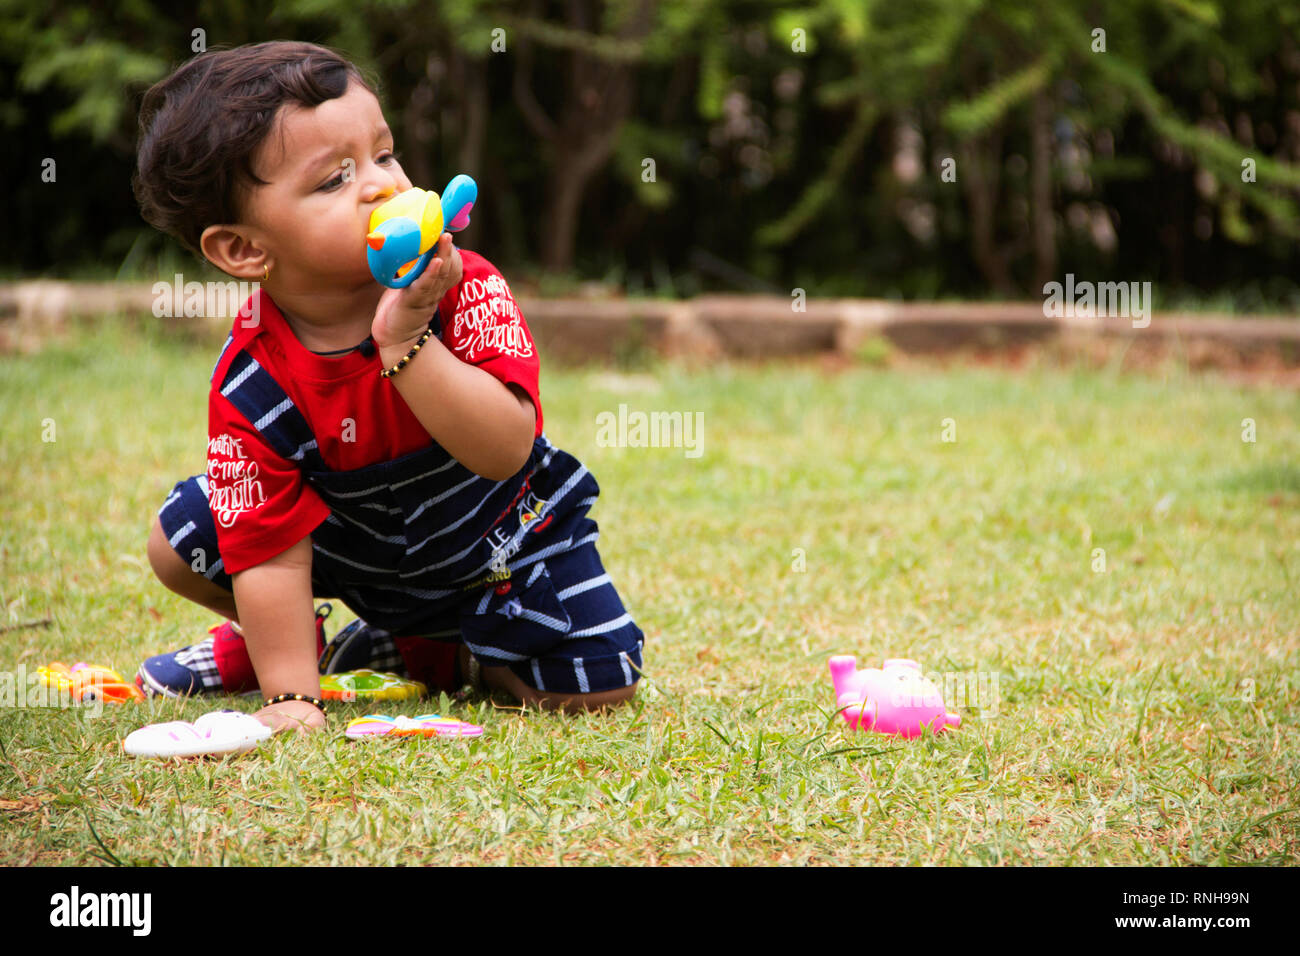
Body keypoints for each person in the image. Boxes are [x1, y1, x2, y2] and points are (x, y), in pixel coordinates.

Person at [131, 40, 645, 734]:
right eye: (334, 179)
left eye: (384, 154)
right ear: (244, 250)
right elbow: (267, 547)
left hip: (501, 544)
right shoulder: (252, 378)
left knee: (597, 685)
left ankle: (445, 652)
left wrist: (406, 341)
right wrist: (291, 699)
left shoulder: (464, 288)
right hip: (357, 552)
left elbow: (505, 451)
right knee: (180, 540)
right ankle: (277, 649)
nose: (381, 187)